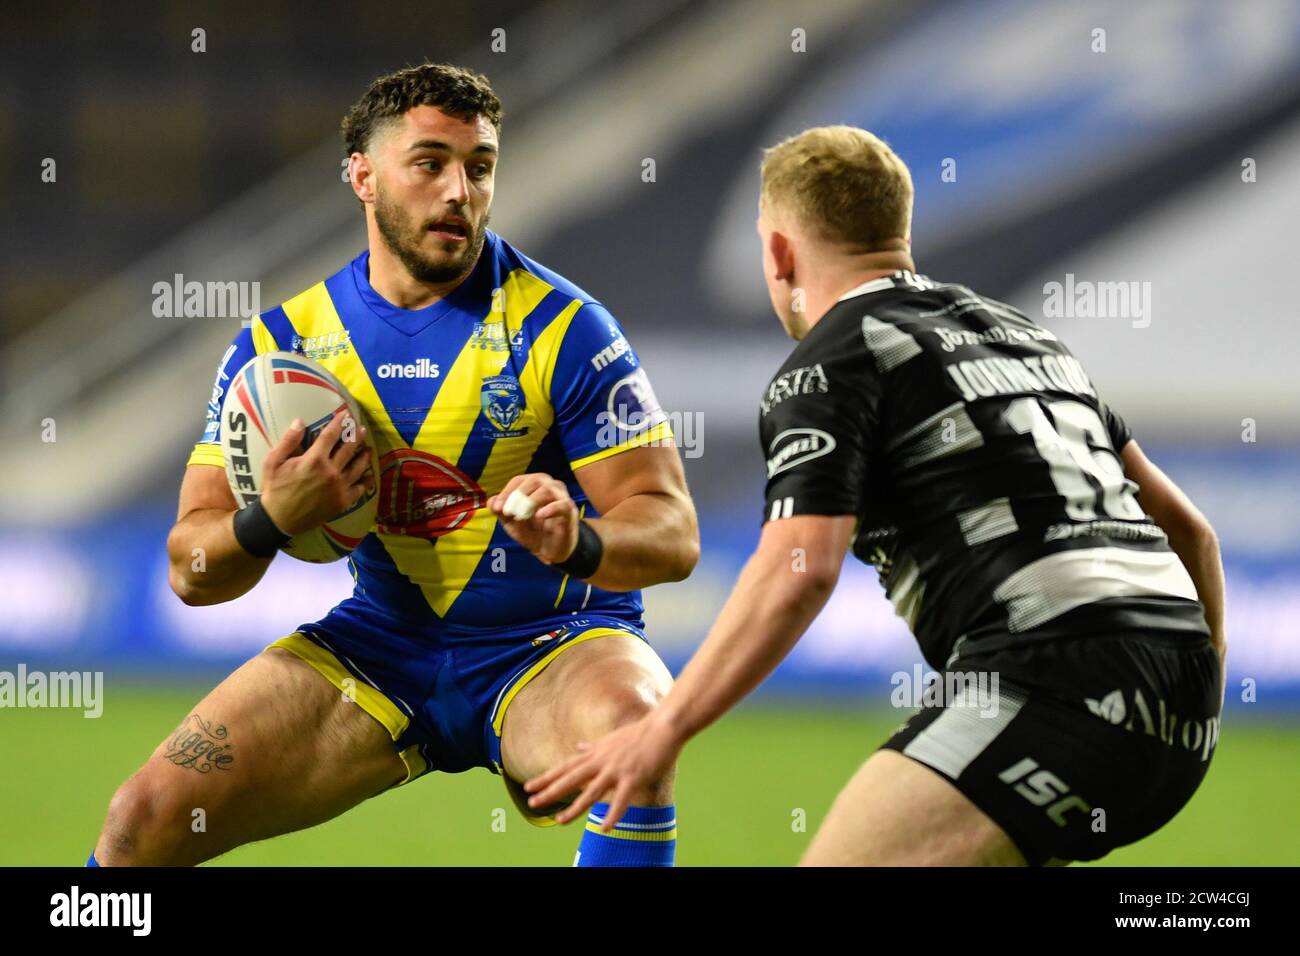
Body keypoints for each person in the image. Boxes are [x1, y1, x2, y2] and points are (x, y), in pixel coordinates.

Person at [525, 125, 1226, 866]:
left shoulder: (832, 361)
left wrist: (661, 729)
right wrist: (1198, 685)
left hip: (1049, 689)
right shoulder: (1023, 336)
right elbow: (1190, 532)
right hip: (1180, 706)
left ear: (779, 253)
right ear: (899, 231)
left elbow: (801, 569)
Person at [90, 63, 698, 868]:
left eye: (479, 168)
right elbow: (193, 570)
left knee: (637, 741)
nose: (460, 191)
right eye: (431, 163)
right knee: (142, 821)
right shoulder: (280, 349)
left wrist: (581, 540)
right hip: (379, 647)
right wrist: (272, 519)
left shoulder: (566, 327)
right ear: (363, 176)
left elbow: (674, 533)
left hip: (555, 643)